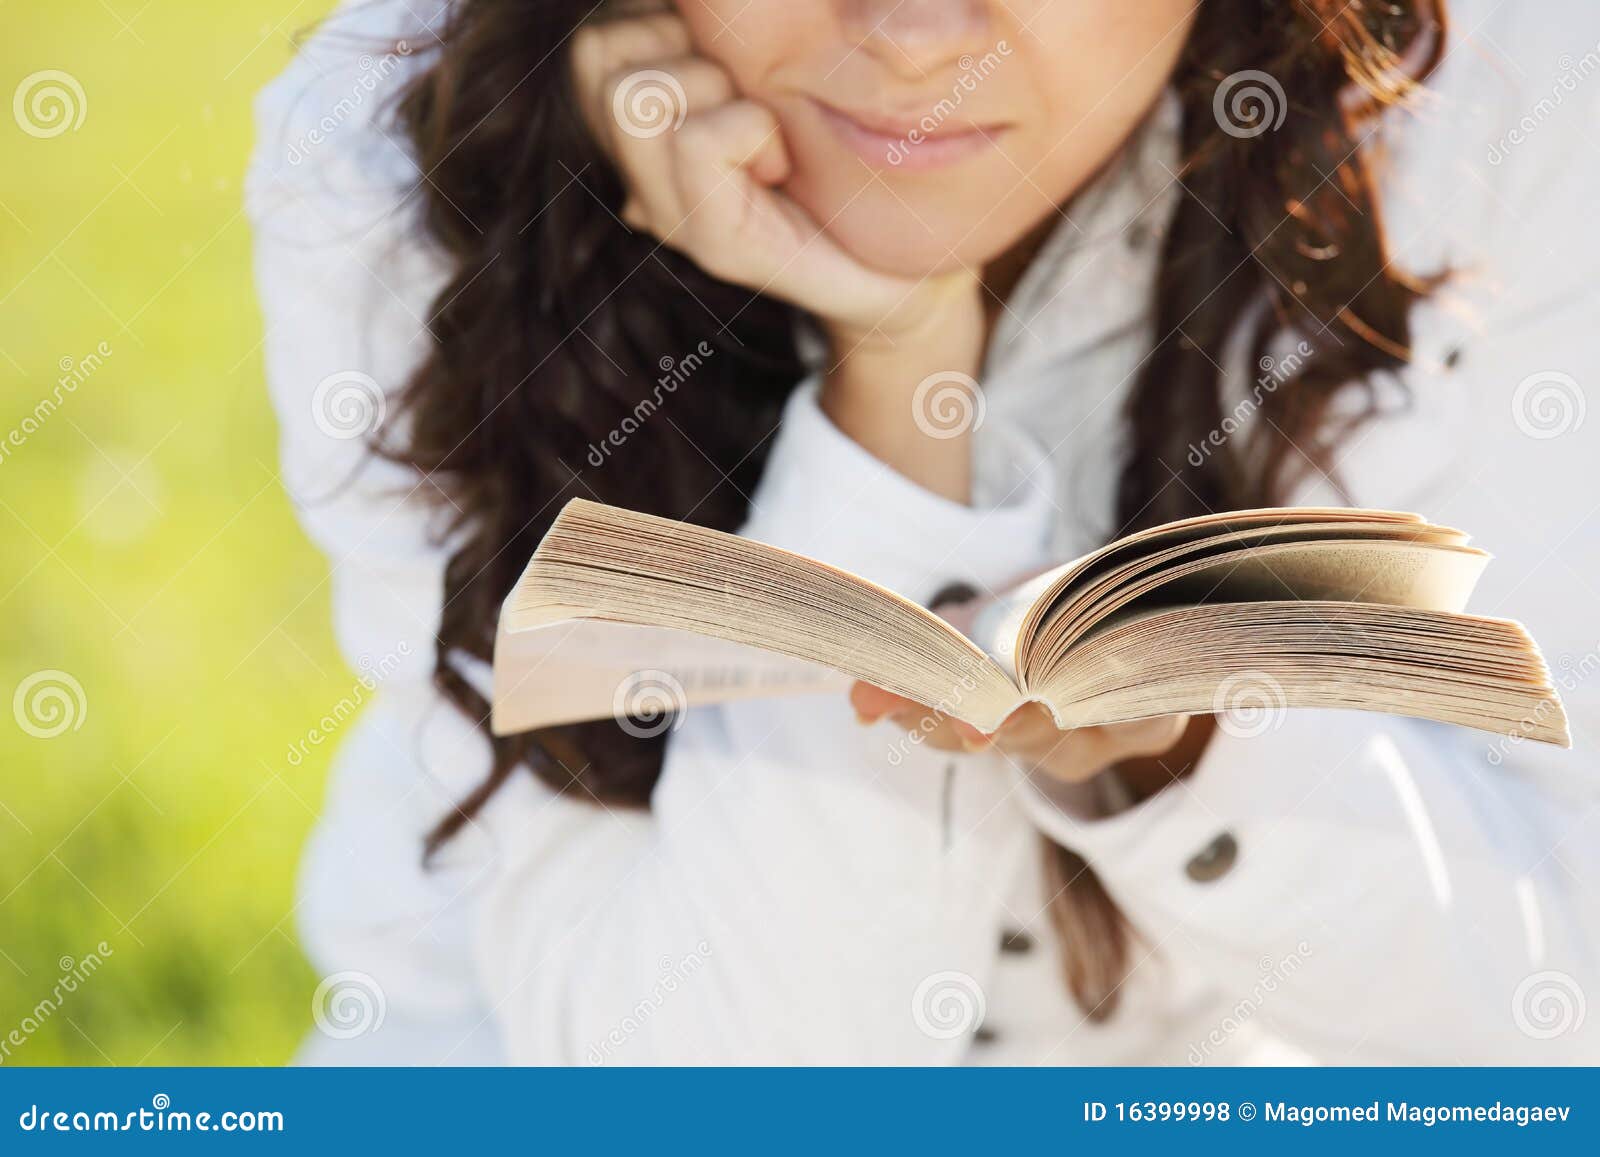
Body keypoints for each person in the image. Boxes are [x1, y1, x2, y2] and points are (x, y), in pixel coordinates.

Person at [247, 0, 1600, 1064]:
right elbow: (725, 1086)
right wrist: (895, 375)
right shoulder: (402, 135)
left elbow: (1552, 1007)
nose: (913, 37)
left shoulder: (1509, 90)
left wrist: (1196, 751)